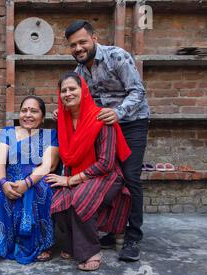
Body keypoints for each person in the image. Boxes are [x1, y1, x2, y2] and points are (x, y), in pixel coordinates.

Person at [54, 20, 150, 261]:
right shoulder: (79, 72)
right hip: (103, 127)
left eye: (82, 42)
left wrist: (118, 113)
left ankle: (133, 236)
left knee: (130, 176)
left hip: (131, 122)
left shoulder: (117, 57)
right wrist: (64, 111)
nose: (78, 48)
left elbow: (138, 91)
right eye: (73, 45)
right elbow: (83, 101)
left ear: (94, 39)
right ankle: (112, 229)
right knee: (107, 176)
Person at [46, 71, 132, 271]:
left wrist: (70, 181)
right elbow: (68, 156)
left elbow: (106, 163)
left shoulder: (101, 118)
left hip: (106, 176)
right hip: (76, 172)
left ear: (83, 91)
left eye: (72, 89)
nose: (68, 93)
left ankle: (91, 251)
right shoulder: (64, 120)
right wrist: (68, 179)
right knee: (58, 202)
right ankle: (72, 245)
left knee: (80, 198)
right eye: (63, 90)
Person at [0, 96, 60, 264]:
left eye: (34, 111)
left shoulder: (51, 135)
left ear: (43, 117)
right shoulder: (7, 133)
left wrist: (27, 183)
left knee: (44, 189)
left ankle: (42, 244)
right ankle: (5, 243)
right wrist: (3, 183)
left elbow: (49, 165)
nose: (28, 114)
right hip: (10, 180)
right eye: (24, 110)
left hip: (37, 179)